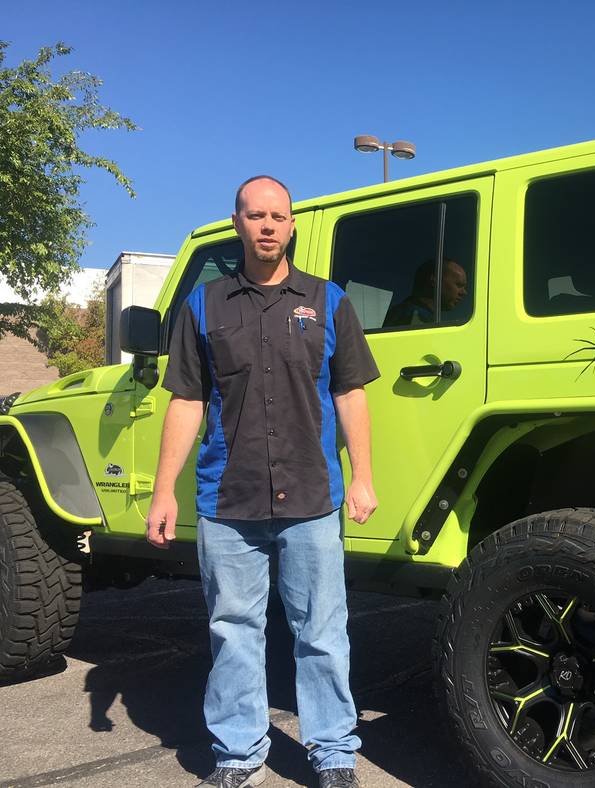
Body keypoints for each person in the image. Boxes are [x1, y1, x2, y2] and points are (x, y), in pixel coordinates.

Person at [146, 175, 379, 788]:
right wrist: (163, 491)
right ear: (237, 223)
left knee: (322, 633)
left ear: (293, 224)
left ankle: (332, 752)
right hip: (229, 500)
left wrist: (364, 478)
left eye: (278, 215)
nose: (268, 226)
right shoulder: (204, 305)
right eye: (256, 216)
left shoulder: (330, 302)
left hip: (312, 497)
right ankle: (238, 751)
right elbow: (186, 402)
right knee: (233, 631)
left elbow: (350, 394)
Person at [383, 256, 468, 327]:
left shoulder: (400, 313)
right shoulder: (417, 318)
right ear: (435, 280)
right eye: (459, 285)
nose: (464, 292)